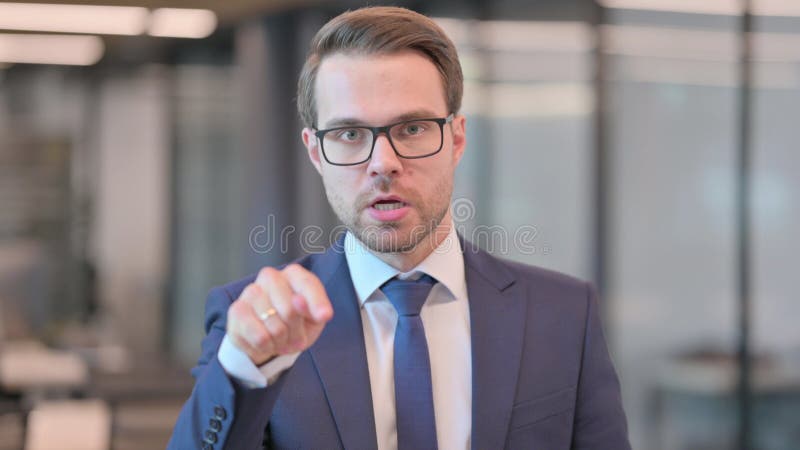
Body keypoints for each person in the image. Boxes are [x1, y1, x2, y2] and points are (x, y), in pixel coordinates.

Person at [168, 6, 630, 450]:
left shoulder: (564, 315)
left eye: (411, 129)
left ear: (457, 138)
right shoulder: (256, 321)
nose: (383, 163)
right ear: (315, 152)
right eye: (349, 134)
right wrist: (244, 367)